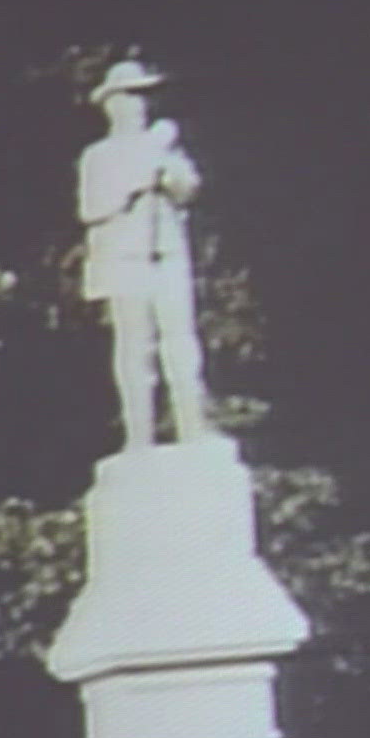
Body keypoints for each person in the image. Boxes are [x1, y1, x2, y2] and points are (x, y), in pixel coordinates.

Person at [77, 60, 210, 449]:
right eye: (129, 97)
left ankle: (194, 428)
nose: (137, 105)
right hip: (125, 258)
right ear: (111, 105)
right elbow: (91, 208)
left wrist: (165, 169)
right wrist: (133, 184)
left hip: (166, 253)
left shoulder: (164, 146)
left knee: (182, 344)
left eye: (142, 97)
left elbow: (189, 189)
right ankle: (140, 436)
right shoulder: (99, 155)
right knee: (136, 350)